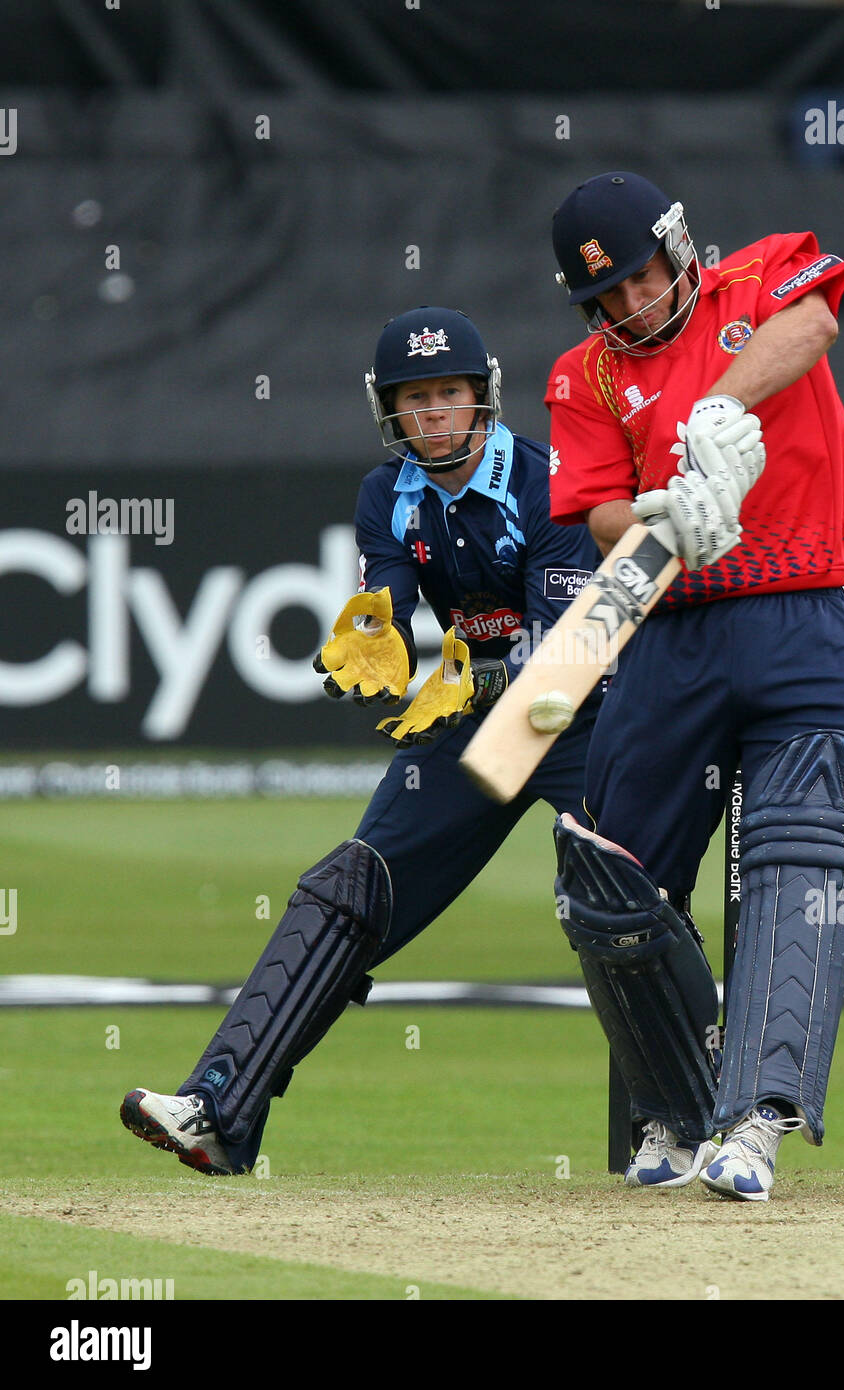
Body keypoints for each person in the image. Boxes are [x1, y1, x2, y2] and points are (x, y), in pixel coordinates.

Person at [121, 306, 602, 1175]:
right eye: (413, 399)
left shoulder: (545, 478)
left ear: (482, 397)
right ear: (390, 409)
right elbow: (385, 599)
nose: (432, 416)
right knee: (351, 889)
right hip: (474, 725)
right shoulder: (386, 493)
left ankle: (684, 1128)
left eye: (448, 394)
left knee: (623, 908)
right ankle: (217, 1110)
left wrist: (483, 677)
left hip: (580, 715)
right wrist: (374, 633)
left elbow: (564, 649)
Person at [544, 171, 844, 1201]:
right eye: (603, 299)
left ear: (679, 249)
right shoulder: (585, 374)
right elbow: (593, 510)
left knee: (801, 853)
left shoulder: (762, 276)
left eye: (639, 281)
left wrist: (708, 416)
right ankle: (675, 1107)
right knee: (609, 883)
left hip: (801, 618)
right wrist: (657, 510)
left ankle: (759, 1119)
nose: (627, 309)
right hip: (670, 629)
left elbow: (816, 324)